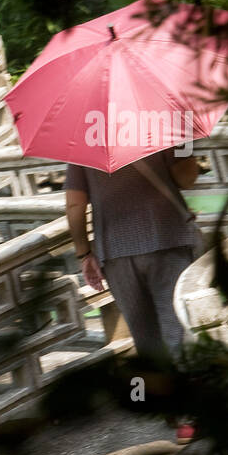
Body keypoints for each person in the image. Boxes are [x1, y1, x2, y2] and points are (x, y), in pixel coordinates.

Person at [64, 147, 200, 369]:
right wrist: (187, 145)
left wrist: (84, 253)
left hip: (115, 250)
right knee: (179, 331)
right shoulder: (161, 122)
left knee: (145, 340)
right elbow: (187, 180)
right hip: (169, 239)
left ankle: (157, 397)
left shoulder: (85, 136)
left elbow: (75, 204)